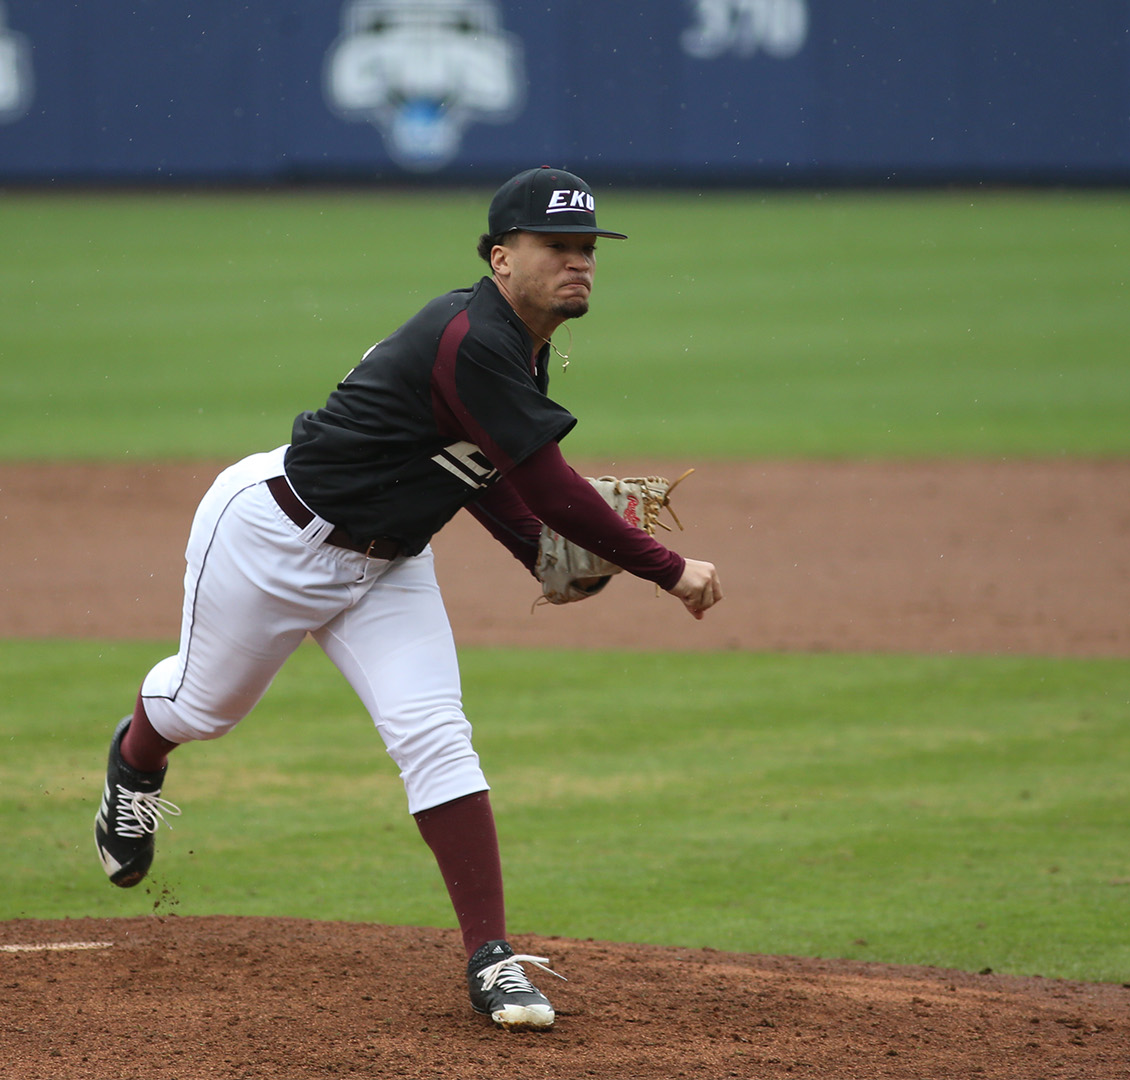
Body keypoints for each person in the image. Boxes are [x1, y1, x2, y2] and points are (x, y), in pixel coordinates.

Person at [91, 166, 722, 1031]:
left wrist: (536, 555)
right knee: (204, 709)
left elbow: (483, 473)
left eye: (588, 249)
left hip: (389, 566)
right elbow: (553, 486)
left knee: (435, 736)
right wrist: (667, 568)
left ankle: (492, 959)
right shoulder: (475, 338)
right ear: (502, 258)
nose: (579, 263)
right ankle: (135, 759)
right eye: (556, 247)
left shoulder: (519, 346)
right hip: (272, 538)